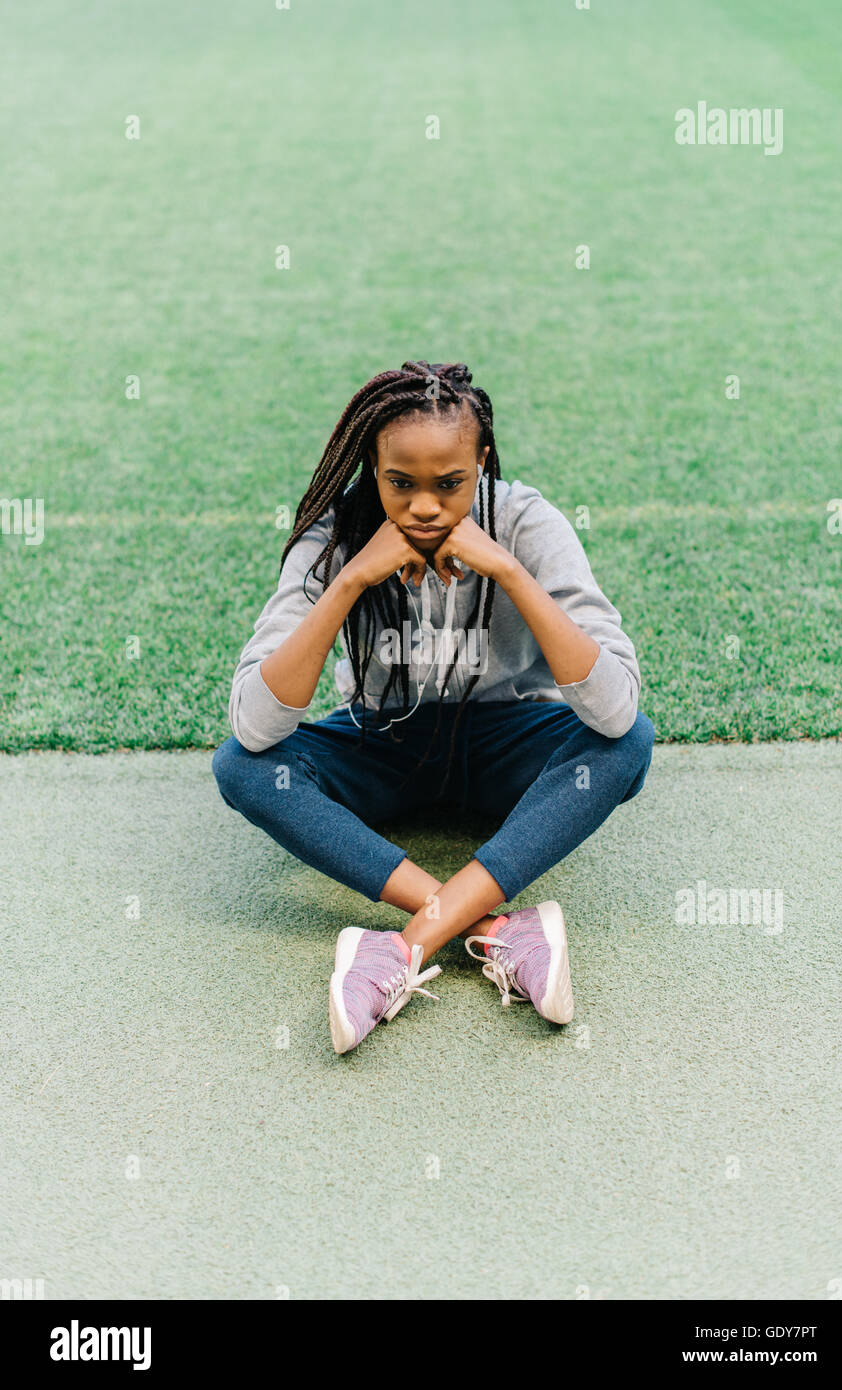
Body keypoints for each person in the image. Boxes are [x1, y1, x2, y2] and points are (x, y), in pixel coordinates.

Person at [212, 359, 654, 1053]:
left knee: (625, 747)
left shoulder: (524, 521)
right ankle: (493, 927)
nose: (423, 505)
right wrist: (353, 578)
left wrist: (505, 567)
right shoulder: (331, 538)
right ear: (371, 464)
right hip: (380, 741)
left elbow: (616, 710)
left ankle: (404, 945)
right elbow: (254, 723)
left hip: (503, 742)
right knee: (243, 767)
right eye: (399, 482)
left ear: (480, 461)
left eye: (448, 483)